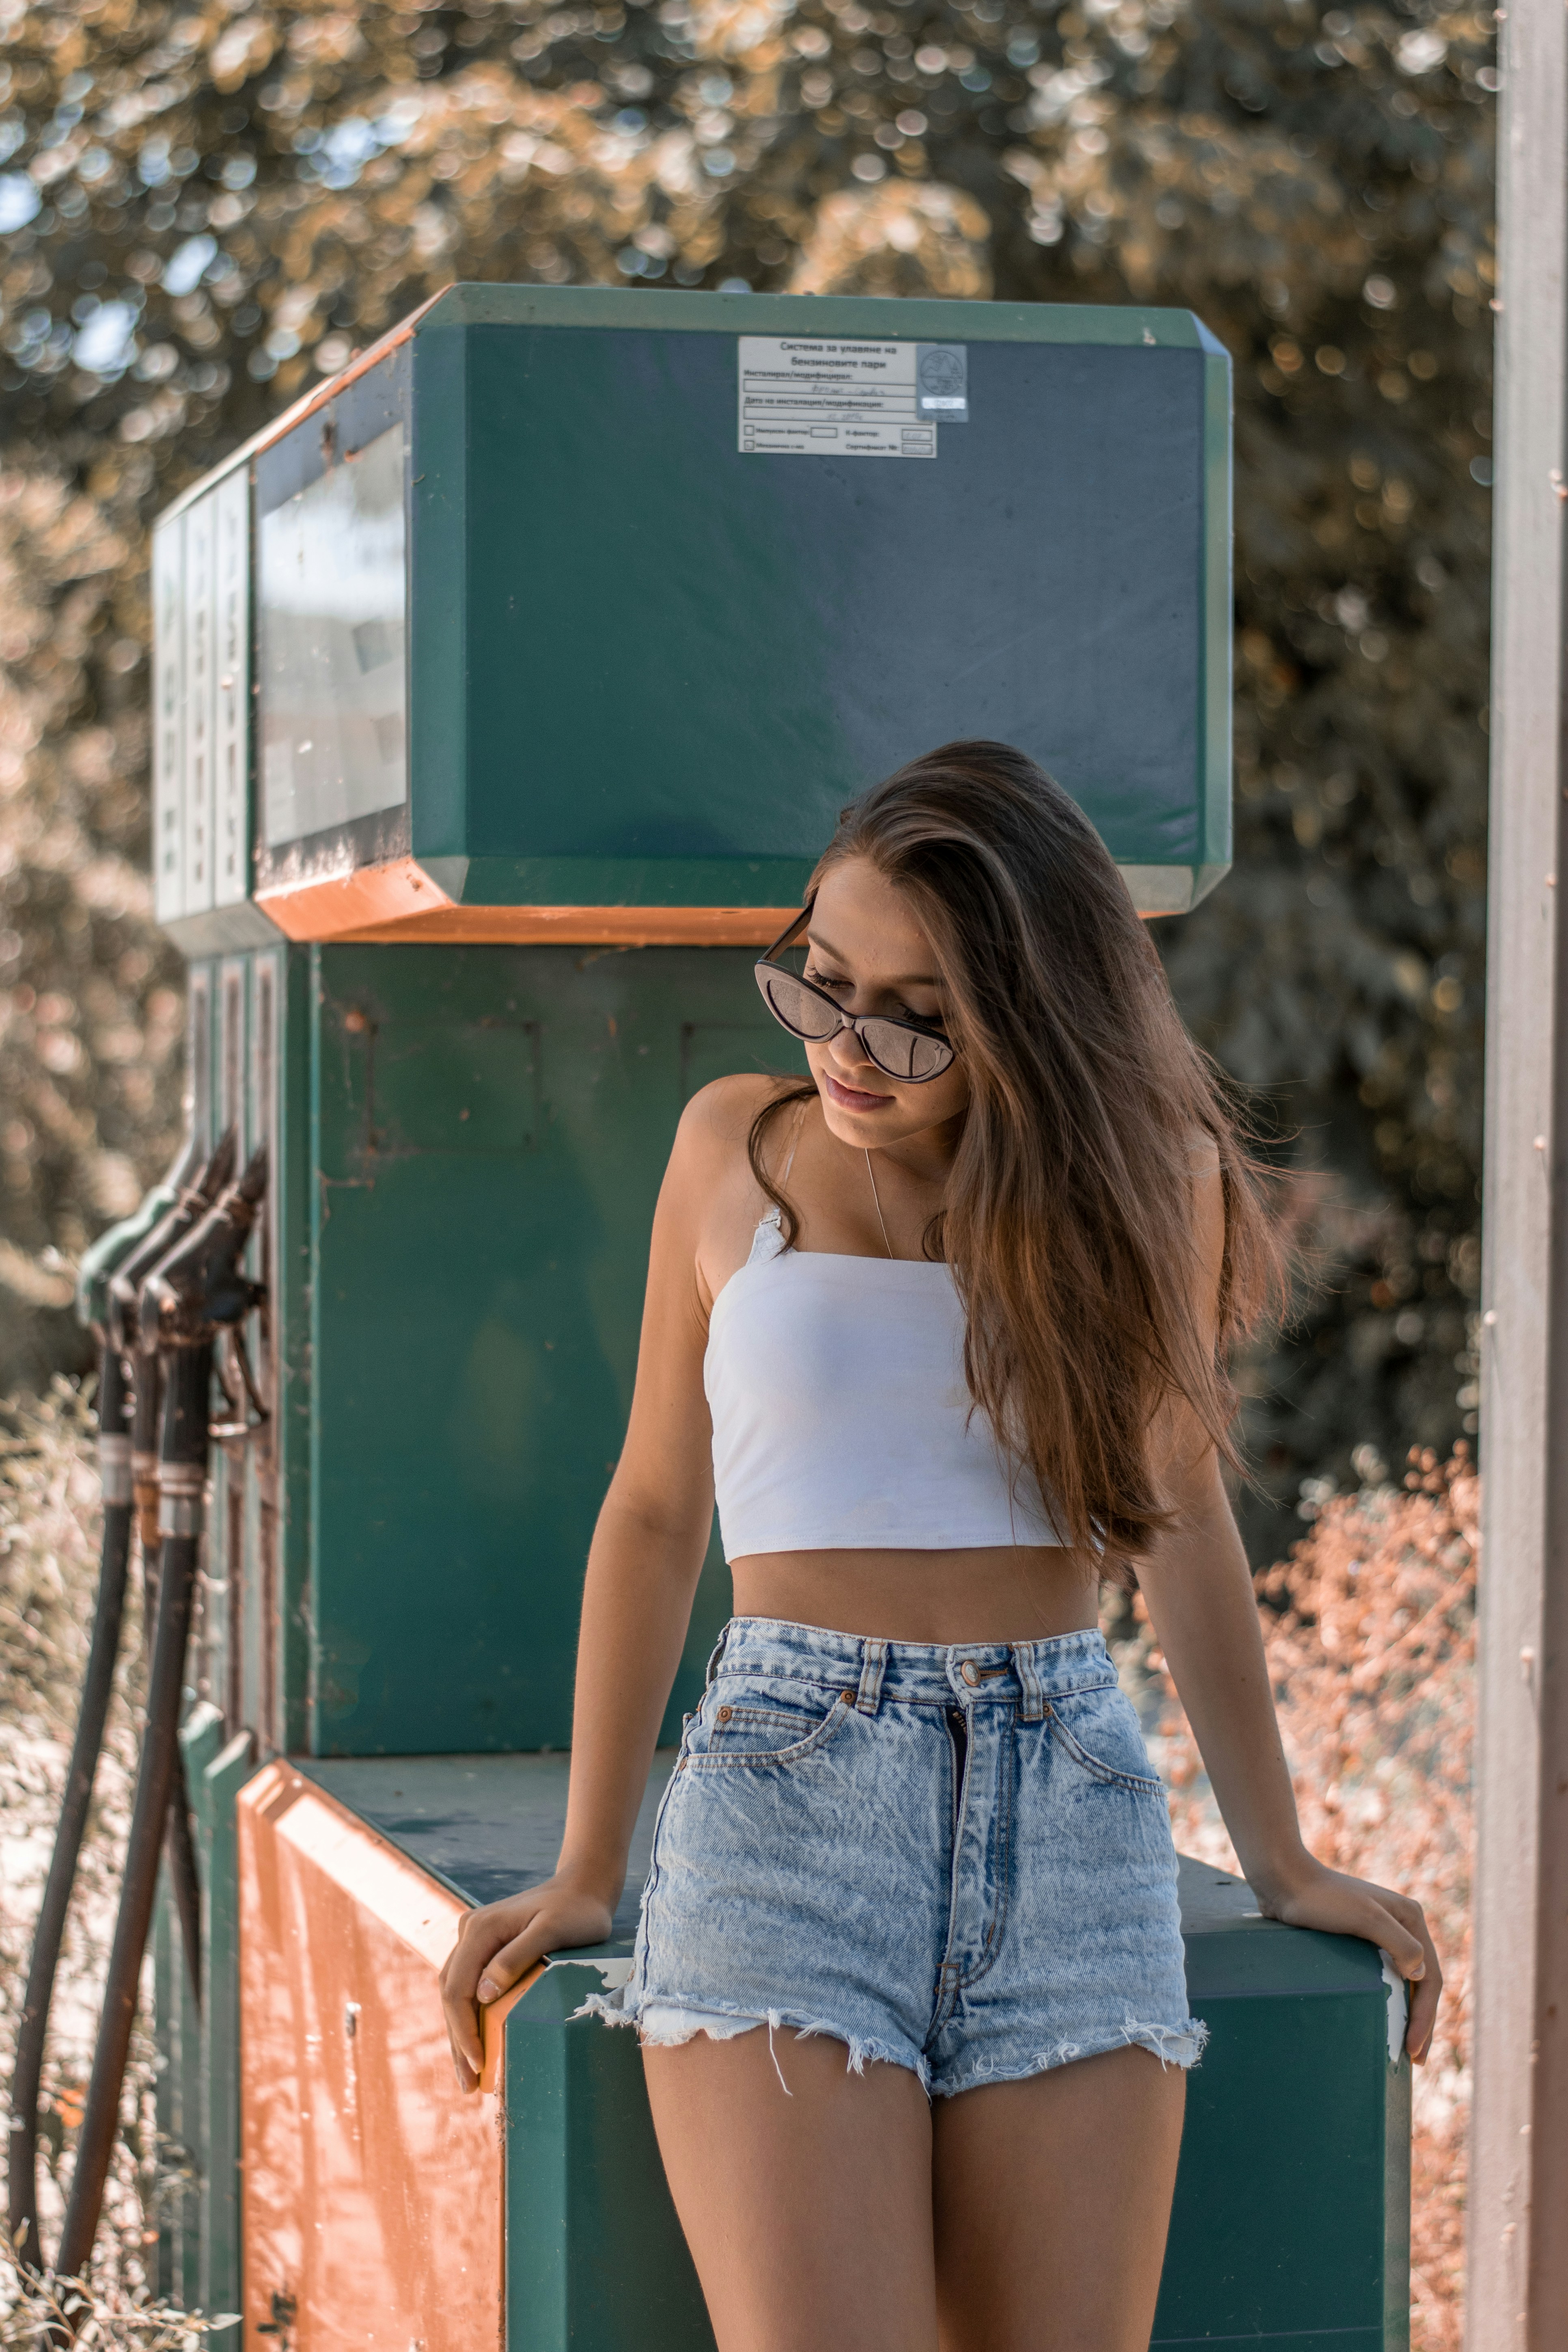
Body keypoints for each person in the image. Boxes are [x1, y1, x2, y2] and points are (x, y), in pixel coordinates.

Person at [440, 740, 1441, 2352]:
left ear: (1031, 1024)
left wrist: (1282, 1858)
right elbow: (652, 1510)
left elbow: (1176, 1515)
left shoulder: (1141, 1193)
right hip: (785, 1801)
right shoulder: (732, 1150)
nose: (852, 1046)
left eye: (916, 1017)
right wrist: (586, 1866)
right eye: (823, 985)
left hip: (1071, 1803)